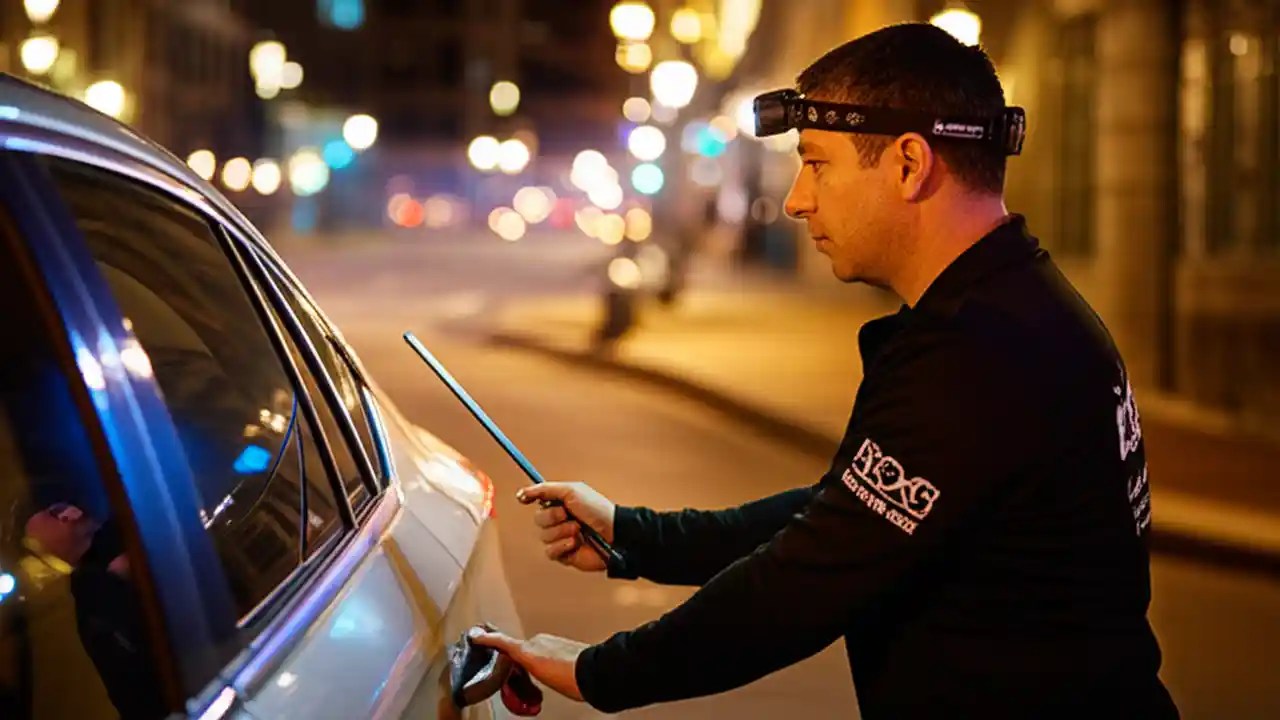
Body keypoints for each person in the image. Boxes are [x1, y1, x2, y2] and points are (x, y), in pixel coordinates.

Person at [474, 22, 1179, 718]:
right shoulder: (1008, 309)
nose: (796, 198)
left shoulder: (980, 350)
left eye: (816, 163)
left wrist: (599, 670)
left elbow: (807, 580)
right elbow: (849, 511)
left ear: (909, 164)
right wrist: (638, 535)